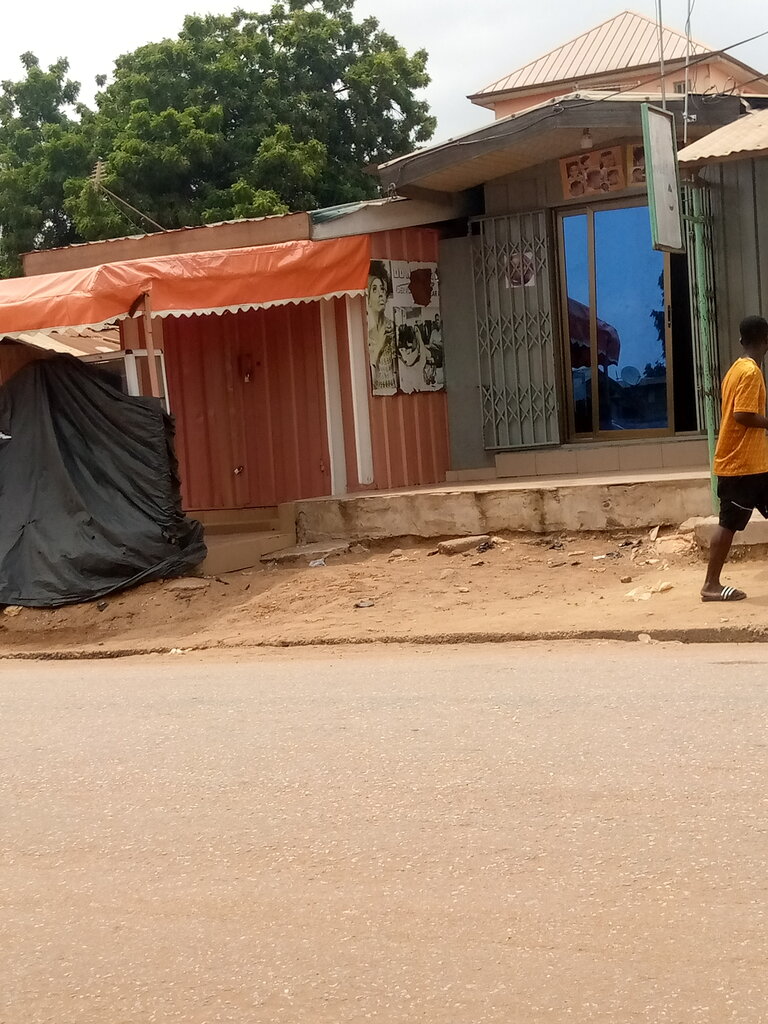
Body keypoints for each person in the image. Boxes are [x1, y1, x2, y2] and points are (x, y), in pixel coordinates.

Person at [701, 315, 768, 602]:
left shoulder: (735, 370)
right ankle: (710, 586)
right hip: (741, 466)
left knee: (728, 523)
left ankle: (711, 584)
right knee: (728, 524)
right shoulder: (751, 372)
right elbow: (742, 415)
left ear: (741, 340)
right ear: (766, 341)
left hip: (755, 464)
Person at [366, 262, 397, 393]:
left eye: (382, 289)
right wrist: (379, 345)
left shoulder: (392, 327)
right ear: (368, 299)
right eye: (374, 289)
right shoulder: (368, 336)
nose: (380, 294)